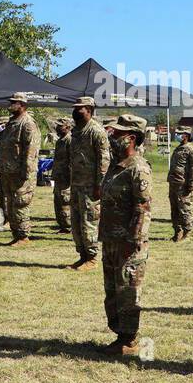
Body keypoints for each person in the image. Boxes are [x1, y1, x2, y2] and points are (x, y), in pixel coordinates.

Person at [98, 115, 153, 355]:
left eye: (118, 134)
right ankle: (119, 335)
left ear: (131, 138)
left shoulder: (138, 168)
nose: (112, 136)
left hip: (128, 244)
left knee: (127, 291)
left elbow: (142, 208)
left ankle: (129, 340)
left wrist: (134, 239)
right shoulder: (115, 165)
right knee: (112, 291)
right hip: (110, 239)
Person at [67, 96, 111, 270]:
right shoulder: (76, 131)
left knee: (89, 221)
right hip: (76, 184)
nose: (76, 111)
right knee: (76, 223)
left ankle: (92, 257)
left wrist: (99, 186)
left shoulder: (96, 131)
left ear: (90, 109)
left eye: (80, 108)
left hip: (91, 187)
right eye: (75, 108)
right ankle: (82, 255)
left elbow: (104, 161)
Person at [0, 93, 40, 245]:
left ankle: (23, 236)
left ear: (22, 105)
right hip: (8, 172)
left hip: (21, 174)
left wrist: (26, 172)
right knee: (11, 204)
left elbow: (31, 150)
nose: (11, 104)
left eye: (14, 102)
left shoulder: (27, 123)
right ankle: (16, 234)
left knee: (21, 203)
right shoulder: (12, 122)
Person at [167, 127, 193, 242]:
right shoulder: (178, 148)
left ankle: (187, 231)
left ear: (186, 135)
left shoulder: (191, 150)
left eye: (180, 134)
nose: (177, 135)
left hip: (183, 184)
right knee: (174, 209)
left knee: (184, 208)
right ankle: (177, 231)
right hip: (173, 182)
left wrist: (190, 183)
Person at [52, 117, 73, 233]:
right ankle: (62, 225)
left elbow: (72, 160)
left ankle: (68, 226)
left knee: (65, 202)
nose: (57, 128)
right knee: (58, 202)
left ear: (68, 127)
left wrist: (70, 176)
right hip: (59, 177)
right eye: (57, 126)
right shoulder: (60, 141)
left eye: (61, 126)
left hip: (66, 178)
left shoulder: (70, 140)